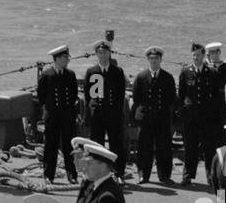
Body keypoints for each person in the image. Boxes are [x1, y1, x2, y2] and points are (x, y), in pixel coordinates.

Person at [83, 39, 129, 179]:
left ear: (110, 53)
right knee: (97, 144)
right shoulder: (91, 72)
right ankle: (97, 172)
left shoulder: (117, 71)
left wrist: (119, 113)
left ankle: (118, 172)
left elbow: (121, 95)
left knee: (116, 144)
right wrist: (89, 114)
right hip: (98, 115)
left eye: (105, 52)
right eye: (100, 52)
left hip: (113, 114)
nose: (103, 55)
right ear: (96, 54)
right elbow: (87, 95)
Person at [130, 46, 177, 184]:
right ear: (148, 60)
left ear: (160, 59)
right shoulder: (141, 77)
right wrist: (137, 116)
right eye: (151, 58)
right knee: (144, 148)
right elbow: (136, 97)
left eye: (156, 58)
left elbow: (171, 98)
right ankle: (143, 175)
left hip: (162, 117)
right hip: (146, 118)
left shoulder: (167, 77)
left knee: (164, 148)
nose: (153, 61)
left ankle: (164, 176)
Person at [37, 44, 79, 185]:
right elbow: (41, 96)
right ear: (57, 58)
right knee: (51, 145)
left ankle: (72, 174)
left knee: (69, 145)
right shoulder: (46, 75)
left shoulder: (70, 75)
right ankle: (49, 175)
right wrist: (48, 110)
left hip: (67, 114)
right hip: (53, 115)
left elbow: (73, 95)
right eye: (65, 57)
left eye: (68, 57)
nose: (68, 60)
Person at [178, 42, 211, 183]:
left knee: (208, 147)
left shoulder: (211, 72)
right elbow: (181, 94)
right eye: (193, 55)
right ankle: (188, 175)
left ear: (203, 55)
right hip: (190, 116)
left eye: (198, 55)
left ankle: (210, 176)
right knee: (190, 146)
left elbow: (214, 94)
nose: (195, 58)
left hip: (205, 115)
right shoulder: (186, 72)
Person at [201, 42, 226, 162]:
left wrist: (213, 67)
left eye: (217, 52)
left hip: (219, 101)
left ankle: (222, 157)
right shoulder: (205, 66)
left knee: (220, 131)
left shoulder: (224, 65)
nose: (215, 55)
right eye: (212, 53)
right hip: (208, 102)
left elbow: (225, 80)